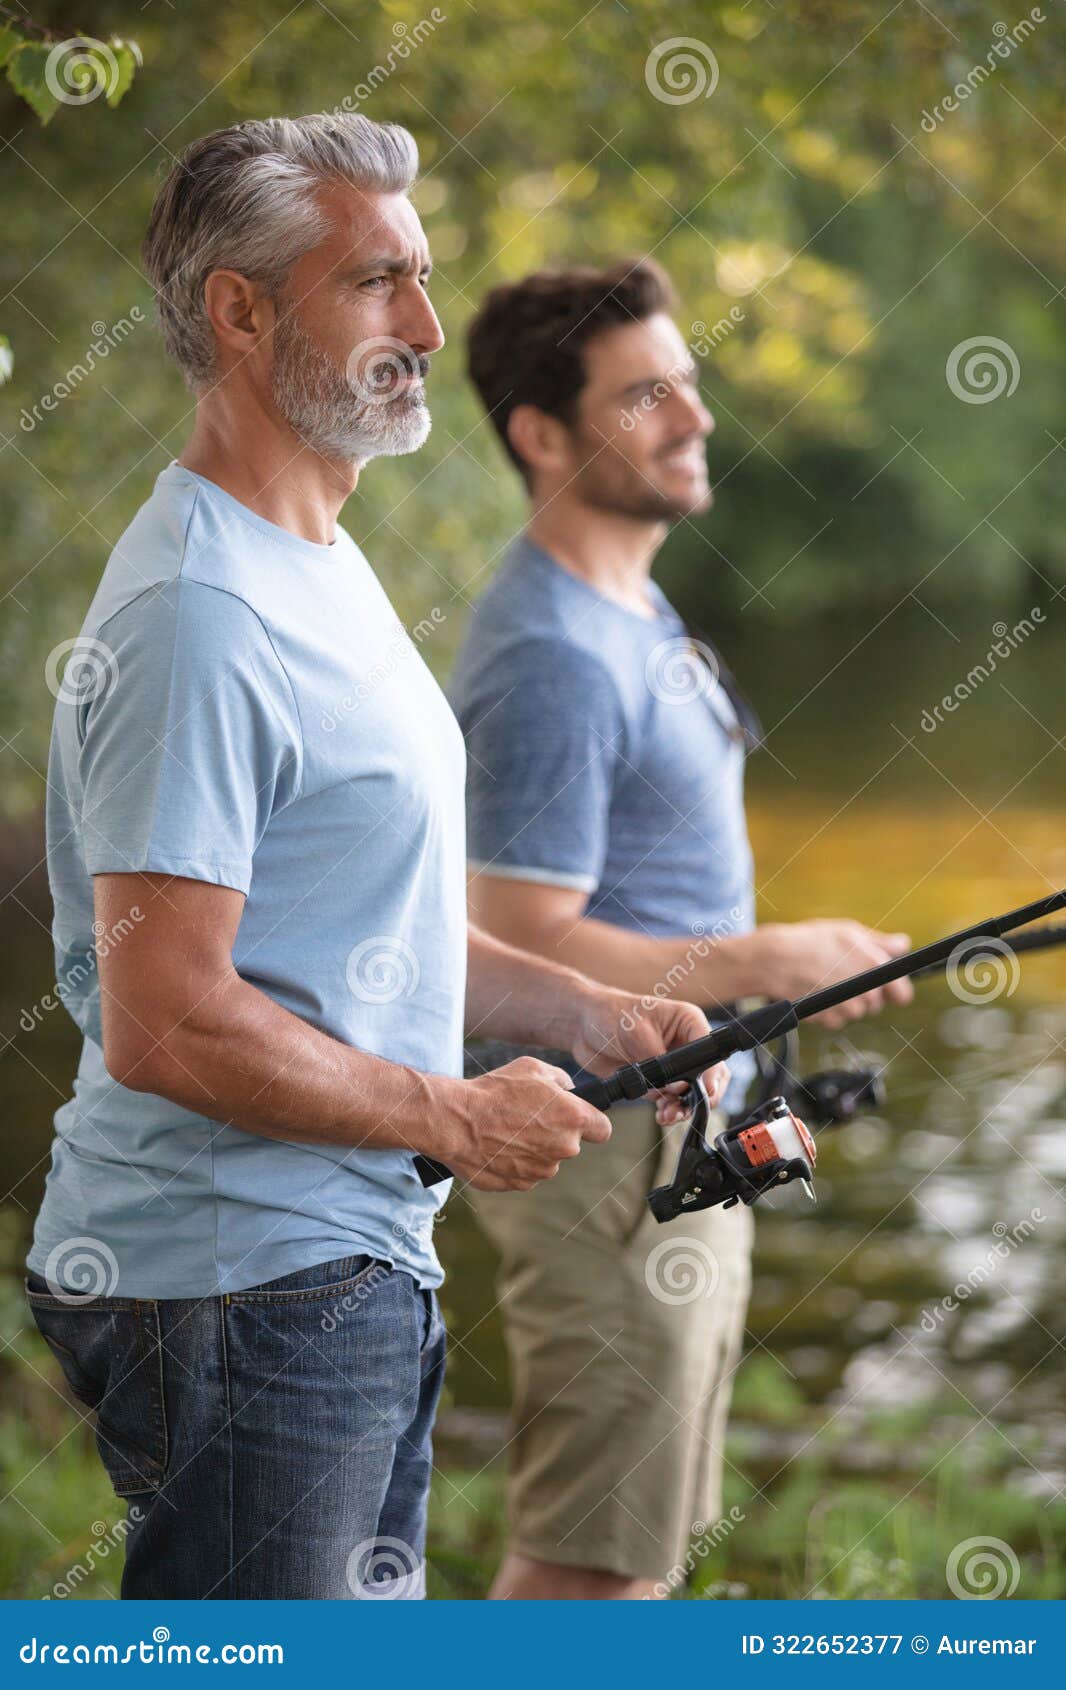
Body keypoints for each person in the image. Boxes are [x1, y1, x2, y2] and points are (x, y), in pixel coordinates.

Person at [23, 124, 729, 1601]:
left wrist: (582, 1013)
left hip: (335, 1260)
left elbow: (365, 918)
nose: (420, 327)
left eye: (421, 280)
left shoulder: (320, 561)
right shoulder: (201, 614)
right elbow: (165, 1016)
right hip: (241, 1276)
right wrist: (457, 1116)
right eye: (375, 283)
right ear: (240, 310)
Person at [449, 258, 914, 1599]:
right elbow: (508, 941)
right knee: (588, 1566)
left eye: (689, 385)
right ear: (542, 434)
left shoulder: (628, 606)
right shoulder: (548, 651)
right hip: (604, 1155)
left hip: (683, 1137)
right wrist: (769, 961)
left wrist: (765, 986)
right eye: (644, 394)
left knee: (640, 1555)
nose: (693, 416)